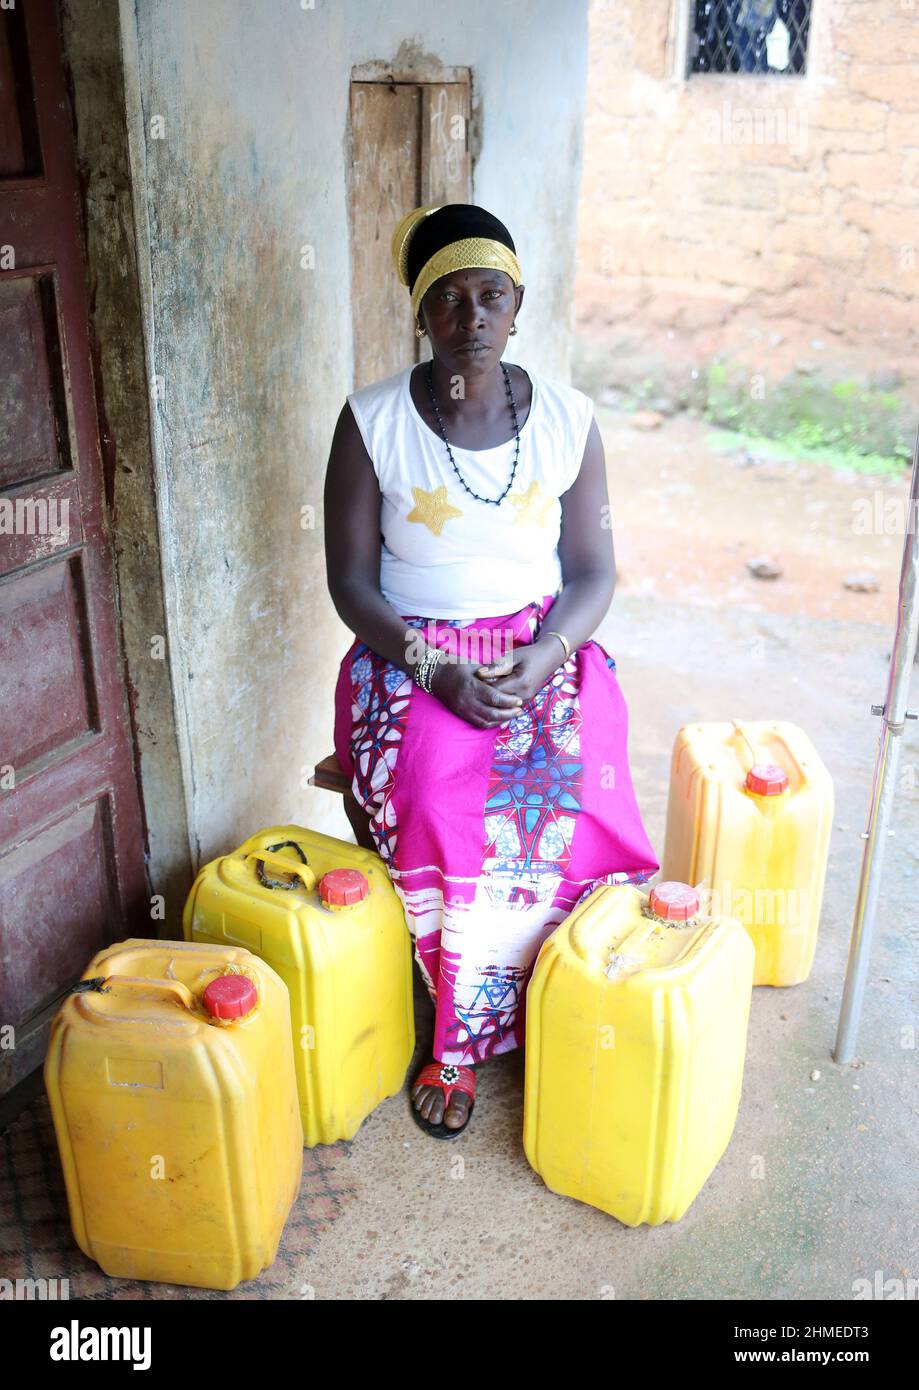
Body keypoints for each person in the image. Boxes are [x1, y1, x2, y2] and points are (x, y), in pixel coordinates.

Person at [324, 203, 658, 1139]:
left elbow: (593, 574)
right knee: (435, 789)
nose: (470, 315)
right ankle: (457, 1039)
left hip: (539, 639)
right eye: (448, 299)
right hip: (410, 647)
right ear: (422, 315)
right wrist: (432, 671)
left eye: (490, 295)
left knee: (581, 784)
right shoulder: (372, 422)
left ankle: (563, 997)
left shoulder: (566, 420)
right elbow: (349, 584)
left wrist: (548, 653)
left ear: (518, 307)